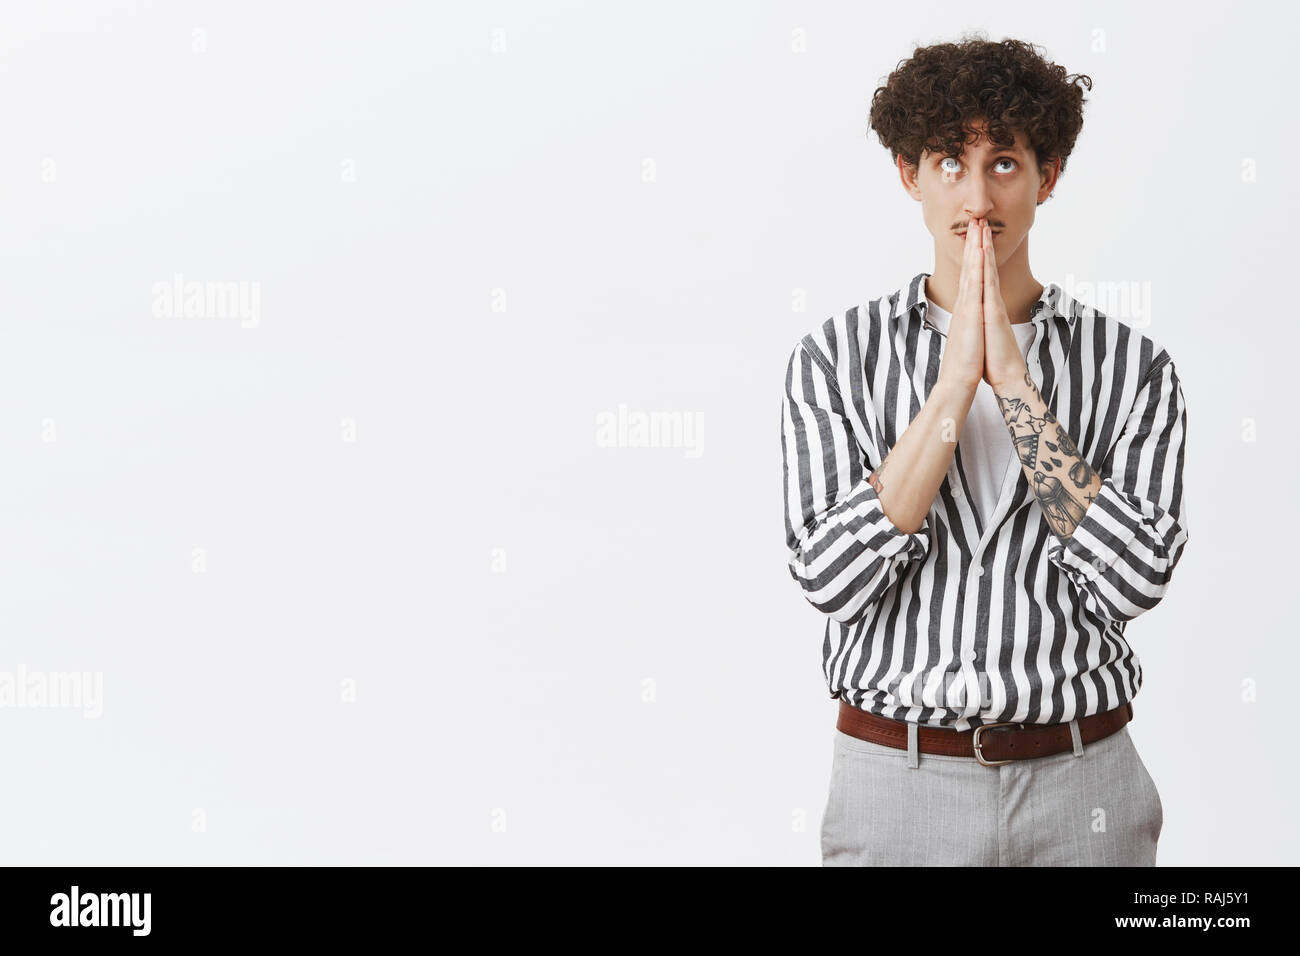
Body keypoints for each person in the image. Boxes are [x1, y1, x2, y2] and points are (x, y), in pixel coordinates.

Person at [779, 35, 1190, 866]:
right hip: (897, 781)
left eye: (1003, 162)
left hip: (1083, 786)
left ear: (1049, 175)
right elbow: (830, 577)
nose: (976, 197)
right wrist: (952, 386)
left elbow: (1138, 579)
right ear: (909, 175)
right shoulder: (834, 358)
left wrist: (1014, 384)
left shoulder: (1135, 368)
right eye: (948, 163)